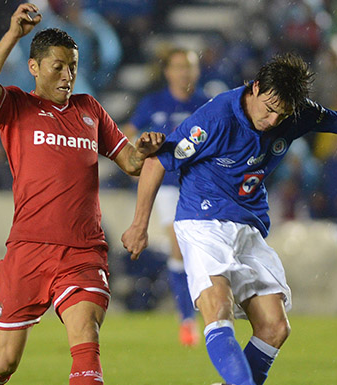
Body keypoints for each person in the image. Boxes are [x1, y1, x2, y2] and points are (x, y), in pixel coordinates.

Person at [121, 54, 337, 385]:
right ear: (255, 87)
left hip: (248, 225)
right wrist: (139, 225)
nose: (273, 120)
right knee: (219, 311)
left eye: (282, 113)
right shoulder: (217, 117)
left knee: (275, 327)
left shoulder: (297, 114)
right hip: (203, 223)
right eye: (269, 107)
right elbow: (157, 162)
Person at [0, 4, 164, 385]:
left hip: (83, 249)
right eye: (57, 66)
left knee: (86, 338)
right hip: (28, 248)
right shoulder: (17, 106)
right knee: (5, 363)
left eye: (72, 66)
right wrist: (12, 36)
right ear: (34, 68)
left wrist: (145, 148)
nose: (67, 75)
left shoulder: (88, 109)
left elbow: (131, 162)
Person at [122, 47, 208, 347]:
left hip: (200, 184)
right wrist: (138, 153)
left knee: (200, 252)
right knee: (179, 246)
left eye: (189, 66)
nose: (184, 72)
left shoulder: (205, 103)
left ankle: (206, 312)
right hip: (168, 184)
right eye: (179, 66)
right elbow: (126, 134)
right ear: (168, 72)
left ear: (197, 71)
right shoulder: (153, 103)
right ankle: (187, 319)